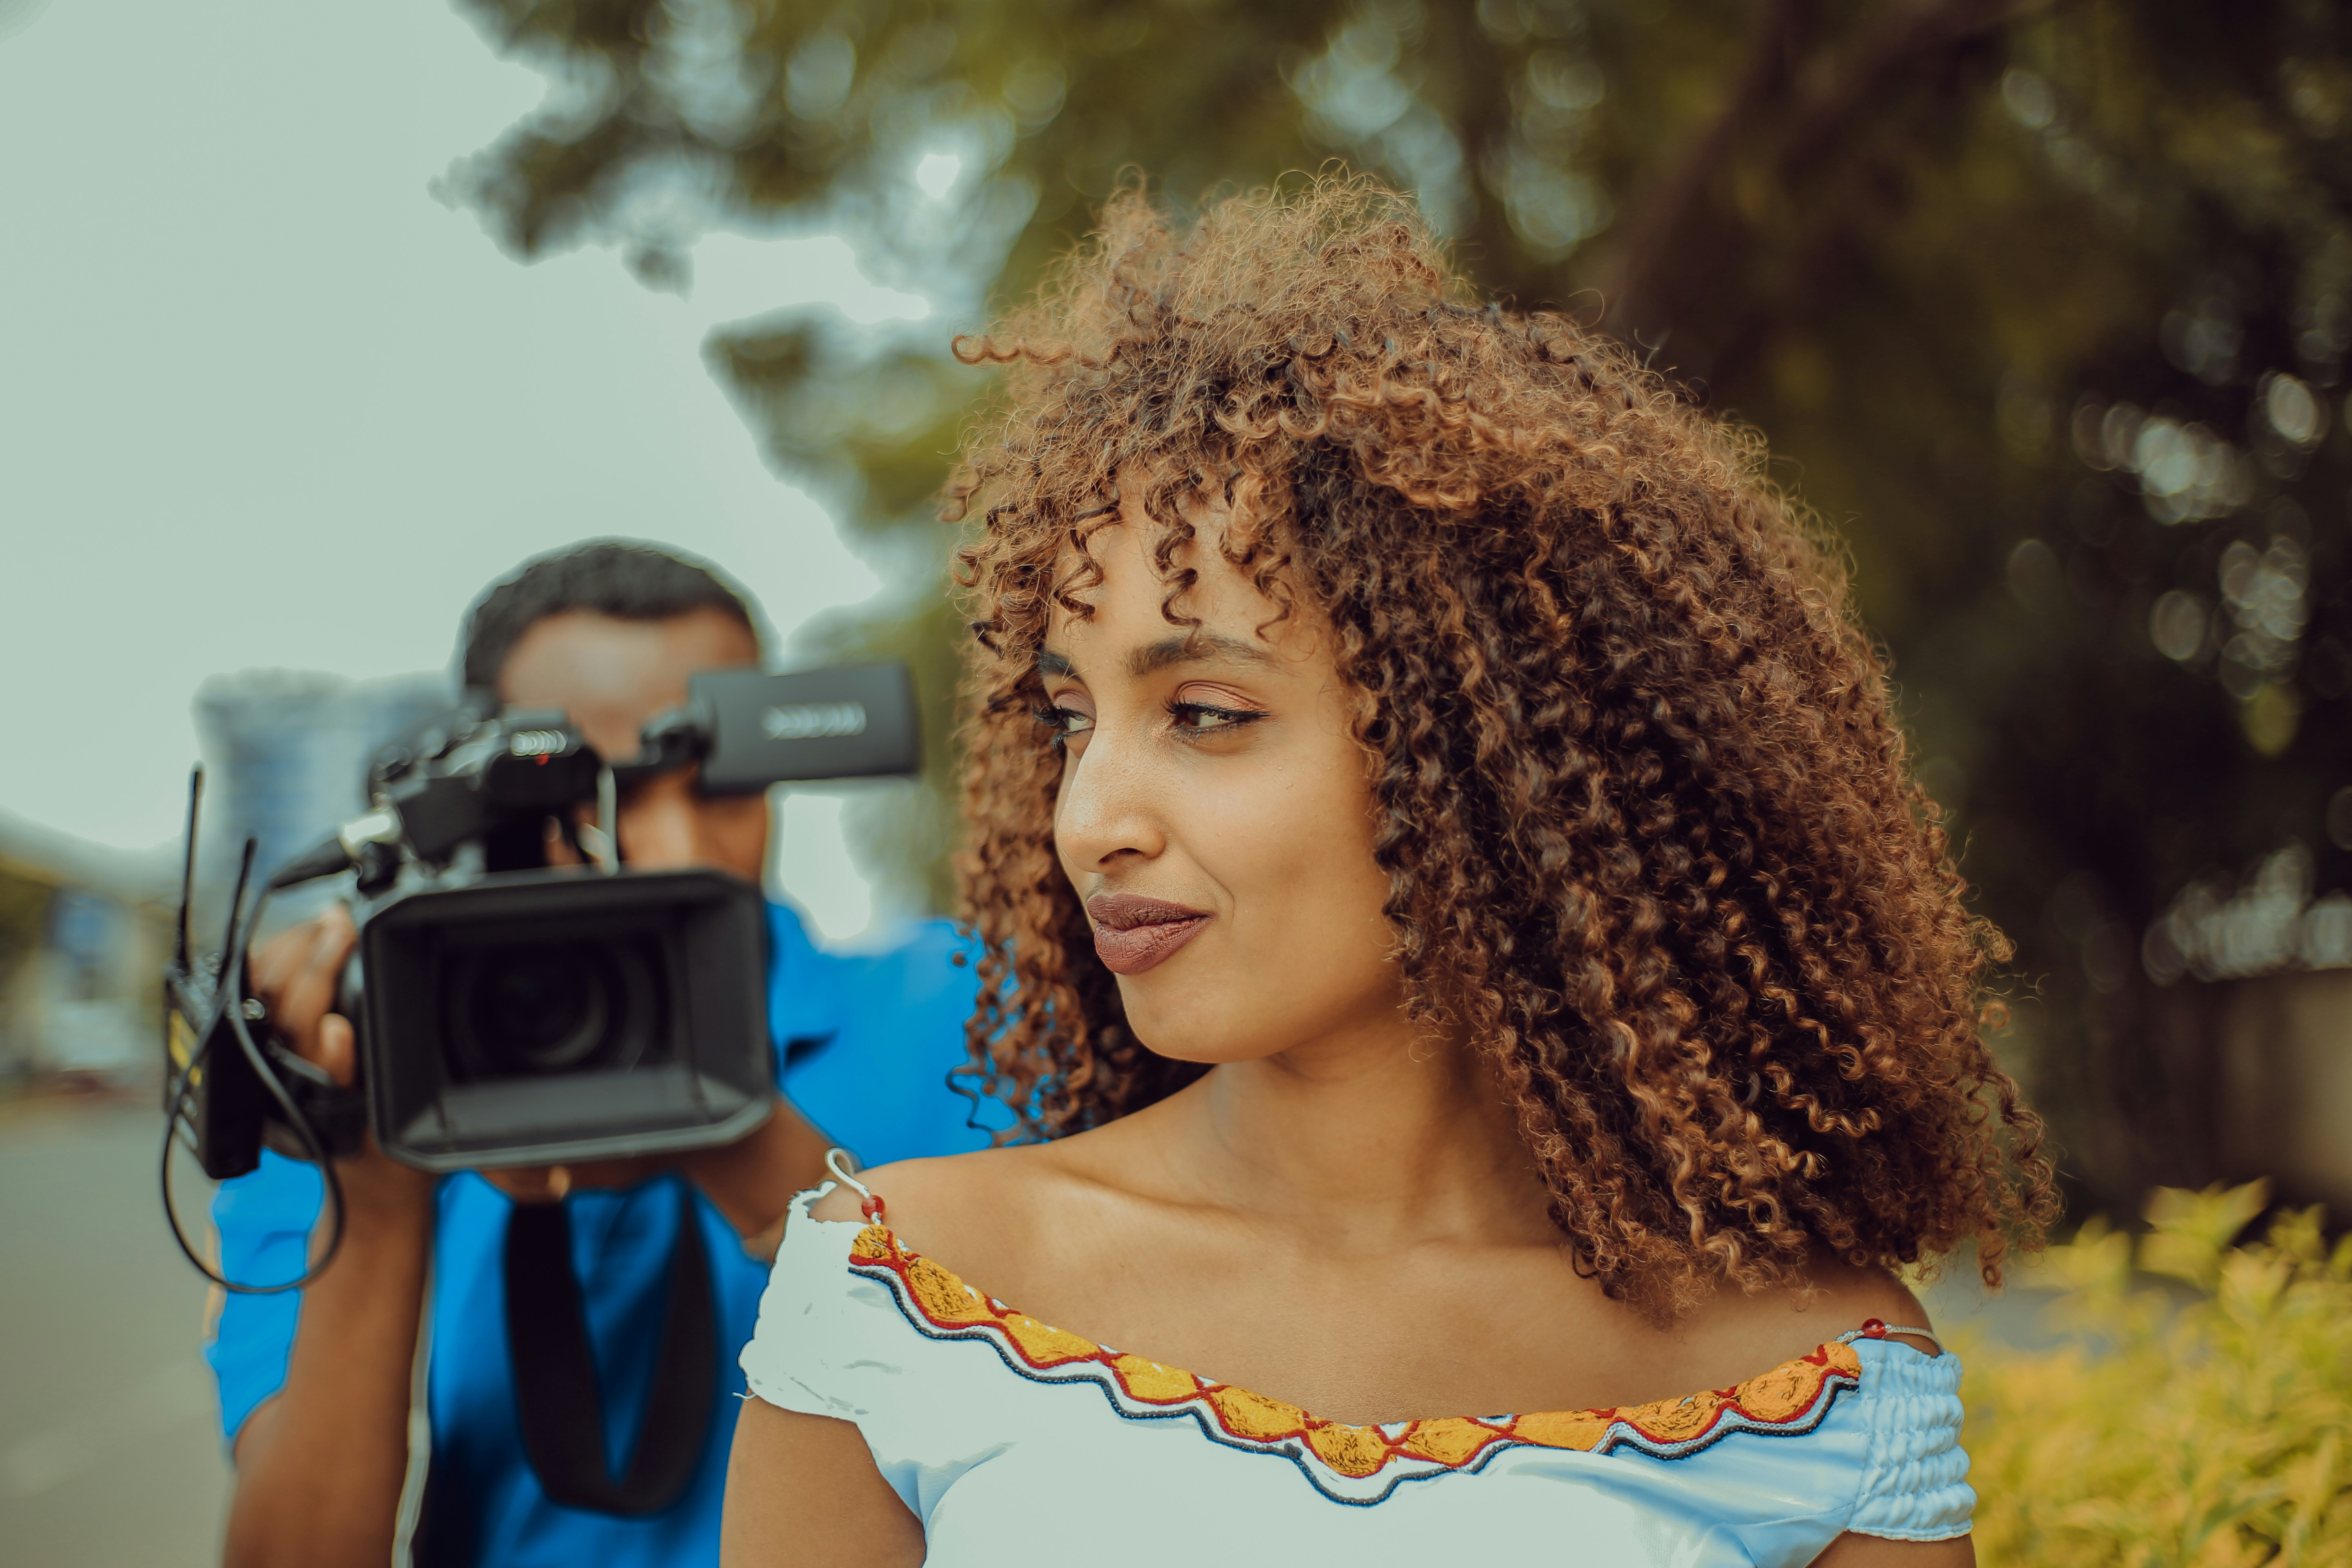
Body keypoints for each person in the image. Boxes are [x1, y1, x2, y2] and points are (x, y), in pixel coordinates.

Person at [719, 179, 2055, 1566]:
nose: (1088, 817)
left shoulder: (1816, 1377)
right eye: (1071, 718)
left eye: (1206, 714)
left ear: (1489, 760)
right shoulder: (904, 1286)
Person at [205, 541, 991, 1568]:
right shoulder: (356, 1063)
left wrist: (727, 1122)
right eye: (594, 801)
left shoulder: (961, 1011)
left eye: (718, 788)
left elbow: (1049, 1425)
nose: (669, 849)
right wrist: (380, 1172)